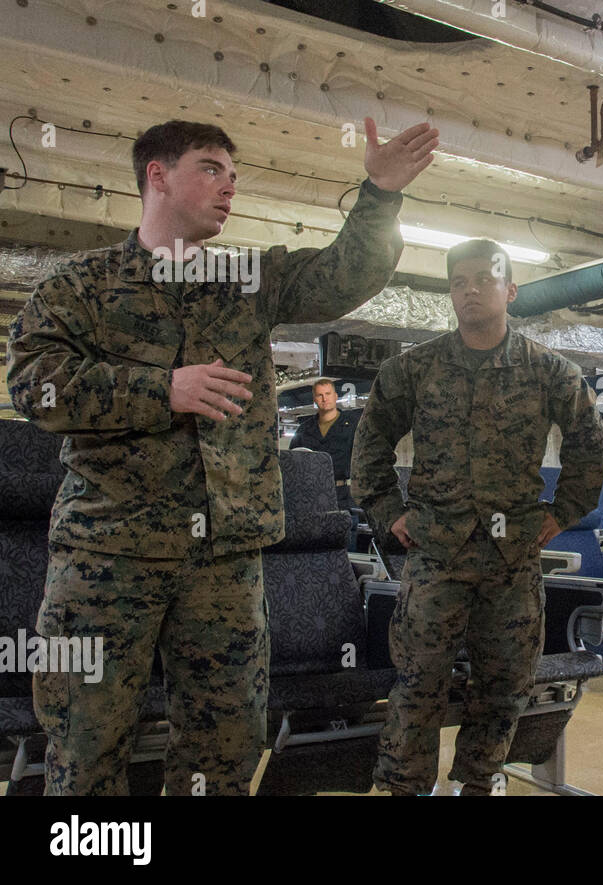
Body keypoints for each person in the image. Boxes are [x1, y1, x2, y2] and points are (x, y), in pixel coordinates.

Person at [6, 116, 438, 795]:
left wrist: (379, 193)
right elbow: (34, 384)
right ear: (157, 175)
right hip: (108, 555)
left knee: (227, 743)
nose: (229, 186)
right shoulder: (81, 285)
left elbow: (340, 276)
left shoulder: (247, 279)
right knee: (86, 744)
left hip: (224, 559)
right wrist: (163, 389)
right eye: (211, 168)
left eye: (234, 175)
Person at [353, 238, 603, 796]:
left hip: (511, 558)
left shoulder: (549, 371)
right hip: (435, 555)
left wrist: (562, 512)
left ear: (510, 290)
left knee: (504, 684)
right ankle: (405, 788)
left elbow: (589, 446)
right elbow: (369, 447)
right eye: (459, 282)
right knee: (418, 683)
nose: (470, 290)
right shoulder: (412, 369)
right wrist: (389, 512)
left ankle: (478, 781)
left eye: (483, 280)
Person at [290, 378, 362, 513]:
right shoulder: (304, 429)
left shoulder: (354, 425)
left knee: (344, 532)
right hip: (310, 496)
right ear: (314, 399)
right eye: (320, 395)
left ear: (335, 396)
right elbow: (293, 465)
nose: (324, 399)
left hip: (342, 495)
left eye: (328, 394)